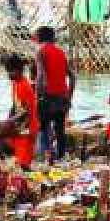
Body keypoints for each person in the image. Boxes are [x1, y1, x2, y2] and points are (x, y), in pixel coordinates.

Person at [34, 25, 76, 162]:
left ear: (39, 38)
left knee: (44, 129)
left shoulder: (41, 52)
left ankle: (47, 158)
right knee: (59, 130)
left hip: (48, 97)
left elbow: (40, 76)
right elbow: (73, 77)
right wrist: (69, 97)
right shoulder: (61, 53)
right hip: (62, 97)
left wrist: (37, 97)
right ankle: (61, 157)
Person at [0, 55, 39, 169]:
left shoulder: (25, 86)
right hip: (19, 125)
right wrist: (8, 120)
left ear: (19, 70)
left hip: (27, 127)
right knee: (2, 143)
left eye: (10, 71)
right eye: (8, 71)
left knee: (24, 165)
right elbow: (15, 105)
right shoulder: (15, 83)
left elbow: (26, 111)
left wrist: (10, 121)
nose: (9, 75)